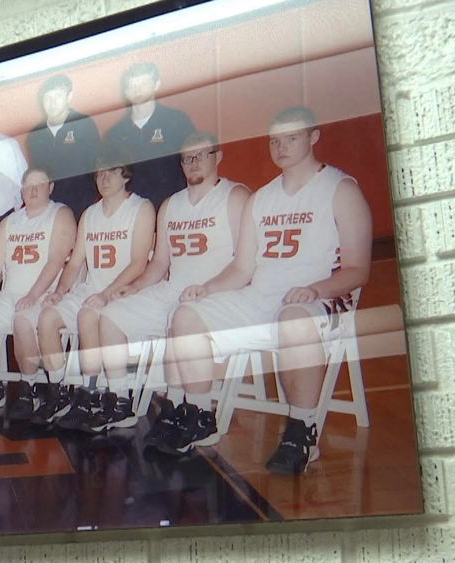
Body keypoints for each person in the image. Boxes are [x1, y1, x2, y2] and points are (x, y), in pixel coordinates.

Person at [146, 106, 372, 474]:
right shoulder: (262, 198)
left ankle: (302, 431)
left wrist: (315, 289)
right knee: (186, 314)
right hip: (261, 297)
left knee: (294, 319)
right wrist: (207, 287)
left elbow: (358, 269)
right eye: (275, 140)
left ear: (314, 136)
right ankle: (201, 414)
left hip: (322, 297)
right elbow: (242, 268)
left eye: (291, 138)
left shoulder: (340, 189)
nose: (281, 147)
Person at [92, 133, 248, 431]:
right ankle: (120, 400)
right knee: (111, 315)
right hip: (175, 289)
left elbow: (244, 263)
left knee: (183, 317)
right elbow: (160, 263)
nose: (193, 163)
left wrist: (209, 288)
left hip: (221, 291)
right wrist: (135, 287)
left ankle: (193, 411)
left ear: (218, 156)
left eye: (201, 155)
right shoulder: (171, 204)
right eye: (187, 158)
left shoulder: (235, 196)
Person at [34, 152, 155, 429]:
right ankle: (59, 392)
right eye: (99, 172)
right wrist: (61, 291)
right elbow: (76, 262)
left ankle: (100, 395)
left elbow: (139, 263)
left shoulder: (141, 208)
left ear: (126, 174)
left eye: (111, 171)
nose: (104, 178)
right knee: (47, 317)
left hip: (125, 291)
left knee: (90, 314)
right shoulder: (90, 214)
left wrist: (106, 293)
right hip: (92, 290)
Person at [0, 167, 76, 417]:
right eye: (28, 185)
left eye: (40, 184)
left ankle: (29, 387)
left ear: (51, 187)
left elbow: (56, 261)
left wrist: (33, 296)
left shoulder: (60, 213)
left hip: (46, 294)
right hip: (11, 294)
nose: (33, 190)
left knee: (22, 320)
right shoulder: (10, 222)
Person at [102, 62, 196, 209]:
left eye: (144, 83)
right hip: (129, 217)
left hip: (173, 212)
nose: (138, 89)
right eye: (133, 85)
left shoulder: (177, 122)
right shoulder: (114, 135)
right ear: (126, 91)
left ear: (156, 84)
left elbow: (194, 166)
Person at [24, 74, 100, 215]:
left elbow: (96, 167)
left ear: (69, 96)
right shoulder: (35, 135)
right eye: (47, 98)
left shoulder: (84, 124)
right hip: (47, 210)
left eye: (57, 96)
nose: (52, 103)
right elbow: (37, 176)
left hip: (81, 206)